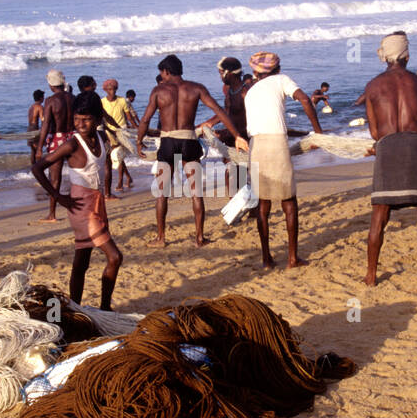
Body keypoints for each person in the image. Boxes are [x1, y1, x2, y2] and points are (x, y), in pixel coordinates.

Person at [136, 54, 248, 247]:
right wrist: (237, 135)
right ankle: (199, 238)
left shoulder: (158, 91)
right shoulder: (196, 88)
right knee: (196, 192)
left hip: (168, 142)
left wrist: (139, 140)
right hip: (189, 141)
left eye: (161, 73)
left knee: (162, 192)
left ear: (166, 71)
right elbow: (220, 111)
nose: (161, 76)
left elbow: (145, 119)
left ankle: (161, 238)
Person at [362, 33, 417, 286]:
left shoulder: (373, 86)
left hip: (388, 148)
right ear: (407, 56)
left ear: (385, 57)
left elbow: (375, 133)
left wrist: (378, 146)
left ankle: (371, 275)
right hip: (414, 145)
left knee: (380, 216)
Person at [31, 91, 123, 310]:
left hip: (97, 204)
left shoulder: (101, 138)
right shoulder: (72, 144)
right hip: (81, 208)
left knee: (82, 261)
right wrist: (59, 197)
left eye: (87, 119)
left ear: (98, 119)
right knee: (115, 257)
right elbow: (37, 168)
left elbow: (103, 167)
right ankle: (105, 308)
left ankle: (74, 307)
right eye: (77, 119)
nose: (80, 124)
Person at [242, 52, 322, 269]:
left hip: (256, 145)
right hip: (276, 143)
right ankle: (292, 258)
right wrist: (318, 132)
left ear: (255, 72)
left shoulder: (249, 93)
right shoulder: (281, 80)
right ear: (276, 69)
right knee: (289, 201)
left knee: (263, 204)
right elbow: (304, 99)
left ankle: (266, 258)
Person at [199, 56, 249, 195]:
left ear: (230, 73)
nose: (220, 77)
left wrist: (233, 134)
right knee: (232, 173)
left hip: (244, 138)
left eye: (221, 73)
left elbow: (253, 119)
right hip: (233, 137)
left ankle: (249, 207)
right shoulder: (230, 92)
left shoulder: (245, 92)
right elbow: (226, 114)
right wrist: (208, 124)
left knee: (240, 174)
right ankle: (235, 203)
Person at [35, 69, 75, 223]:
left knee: (55, 179)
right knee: (77, 175)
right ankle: (79, 207)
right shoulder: (73, 97)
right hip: (72, 137)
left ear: (51, 85)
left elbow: (45, 125)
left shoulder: (51, 100)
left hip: (57, 140)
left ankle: (52, 214)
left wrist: (39, 147)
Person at [101, 78, 139, 193]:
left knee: (118, 155)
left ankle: (120, 181)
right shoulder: (102, 102)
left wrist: (137, 129)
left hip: (121, 130)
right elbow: (102, 118)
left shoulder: (122, 101)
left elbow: (129, 117)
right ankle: (128, 177)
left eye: (114, 89)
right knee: (116, 157)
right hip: (108, 131)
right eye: (109, 89)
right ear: (106, 90)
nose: (112, 91)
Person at [26, 89, 46, 159]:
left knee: (33, 151)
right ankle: (38, 166)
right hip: (34, 129)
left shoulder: (31, 107)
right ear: (41, 98)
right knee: (38, 150)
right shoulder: (40, 107)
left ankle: (33, 166)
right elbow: (43, 120)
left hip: (29, 128)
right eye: (43, 97)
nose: (44, 98)